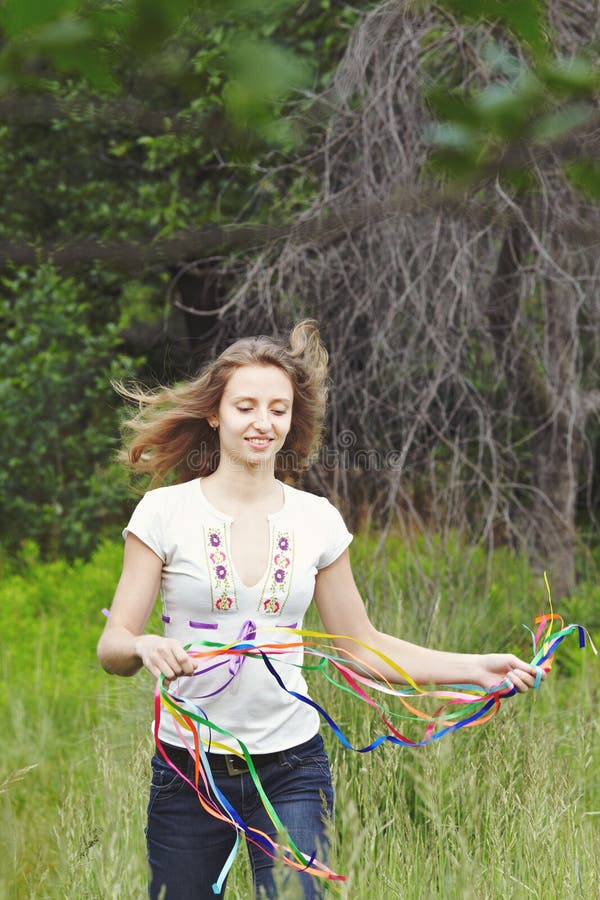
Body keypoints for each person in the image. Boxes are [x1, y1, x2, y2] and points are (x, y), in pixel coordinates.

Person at [97, 320, 543, 900]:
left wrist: (474, 667)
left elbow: (361, 647)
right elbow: (113, 648)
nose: (263, 423)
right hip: (189, 772)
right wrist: (142, 645)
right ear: (215, 413)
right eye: (246, 406)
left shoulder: (318, 520)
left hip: (292, 770)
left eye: (278, 409)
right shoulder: (164, 514)